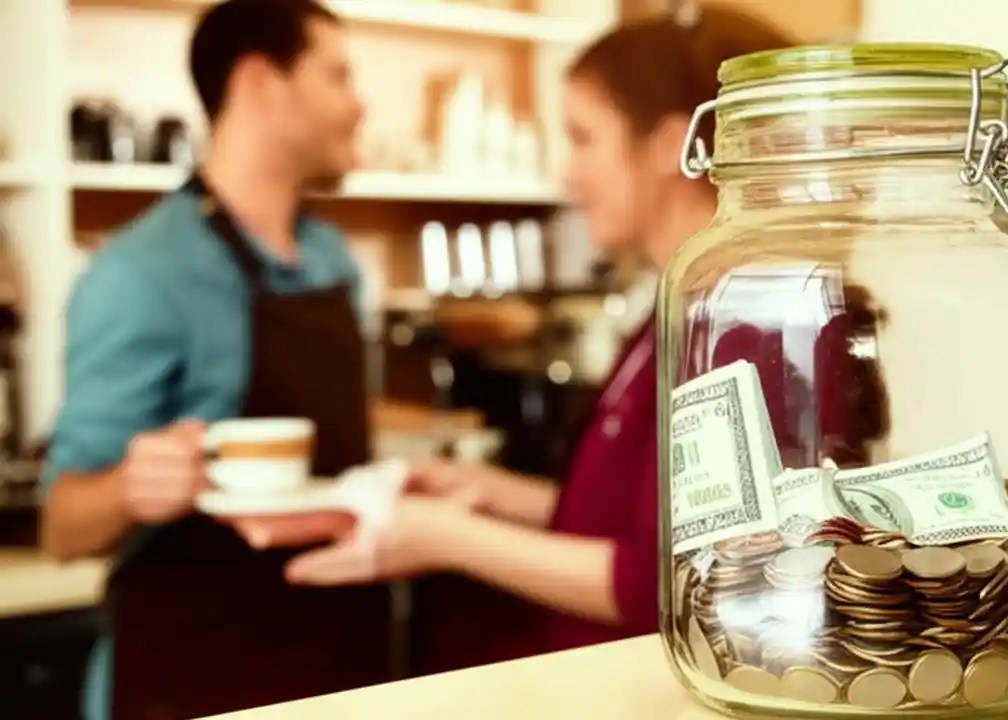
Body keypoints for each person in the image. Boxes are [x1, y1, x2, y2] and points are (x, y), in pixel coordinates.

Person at [234, 8, 794, 668]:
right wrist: (484, 490)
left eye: (584, 139)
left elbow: (659, 581)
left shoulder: (736, 320)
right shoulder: (673, 307)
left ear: (672, 147)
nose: (567, 174)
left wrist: (449, 537)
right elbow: (622, 518)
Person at [39, 1, 391, 717]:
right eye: (338, 76)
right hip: (196, 679)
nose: (360, 106)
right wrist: (127, 489)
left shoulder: (331, 258)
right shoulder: (139, 273)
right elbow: (61, 526)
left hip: (340, 666)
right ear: (262, 82)